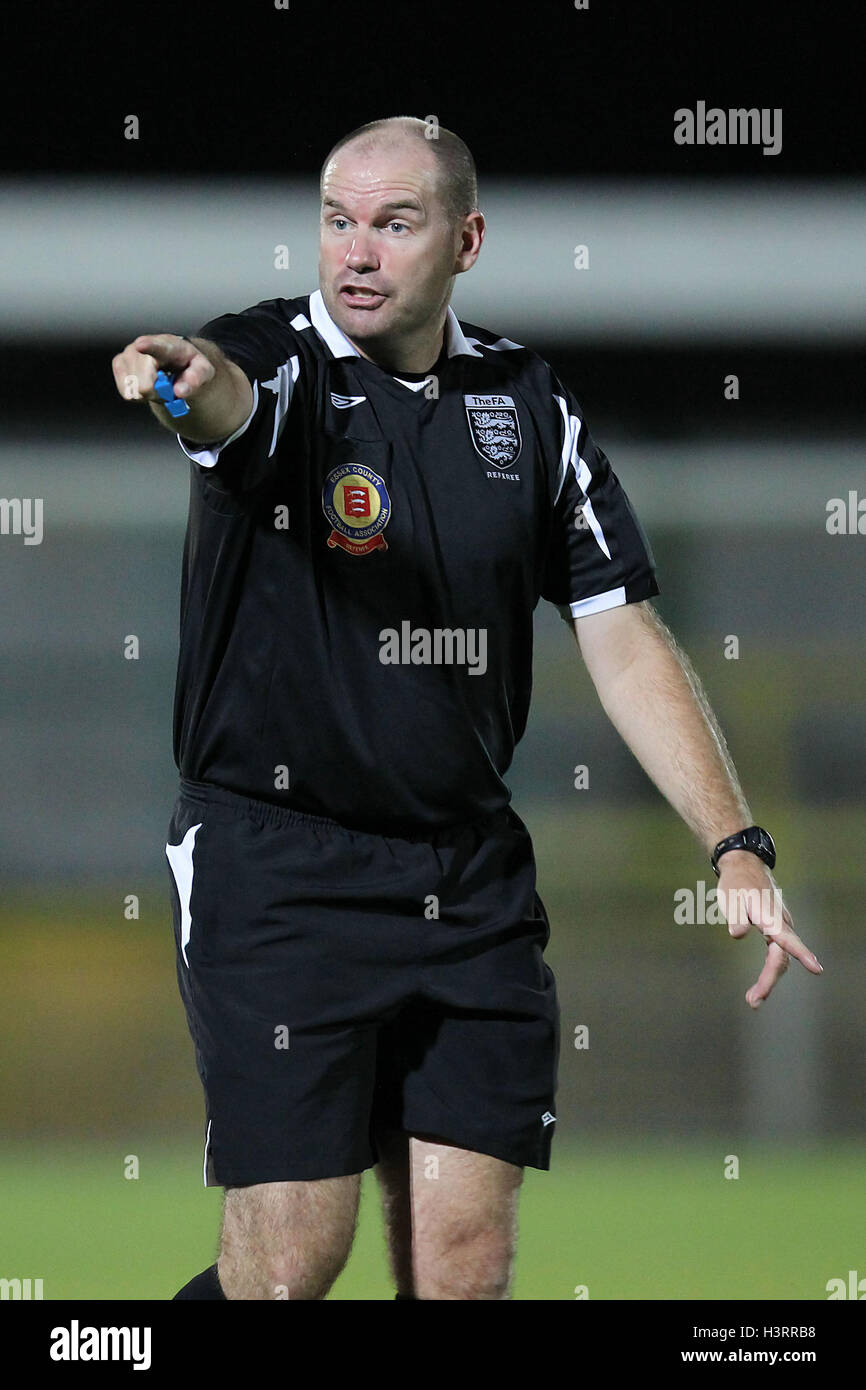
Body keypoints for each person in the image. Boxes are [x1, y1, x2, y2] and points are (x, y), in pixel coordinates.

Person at [111, 115, 822, 1301]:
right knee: (290, 1266)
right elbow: (224, 403)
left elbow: (625, 635)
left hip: (467, 876)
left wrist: (734, 842)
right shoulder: (275, 362)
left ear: (466, 238)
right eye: (337, 220)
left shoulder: (529, 406)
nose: (356, 252)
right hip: (277, 866)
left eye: (394, 223)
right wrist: (180, 383)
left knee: (464, 1265)